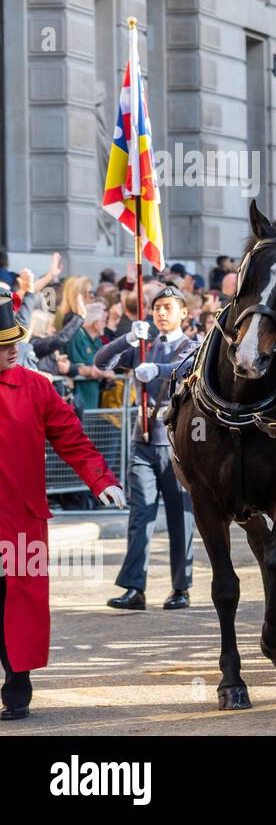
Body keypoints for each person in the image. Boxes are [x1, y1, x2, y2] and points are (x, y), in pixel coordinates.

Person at [0, 297, 125, 721]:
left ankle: (17, 682)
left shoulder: (36, 387)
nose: (13, 348)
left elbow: (72, 439)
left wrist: (102, 480)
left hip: (21, 521)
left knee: (18, 605)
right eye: (3, 345)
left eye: (14, 339)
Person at [94, 284, 198, 611]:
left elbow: (186, 369)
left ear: (184, 312)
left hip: (174, 442)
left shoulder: (191, 345)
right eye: (157, 308)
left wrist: (159, 370)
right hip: (143, 441)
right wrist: (127, 338)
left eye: (169, 307)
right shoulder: (144, 346)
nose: (162, 313)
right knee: (140, 516)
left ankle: (180, 587)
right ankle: (134, 587)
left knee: (181, 517)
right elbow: (101, 361)